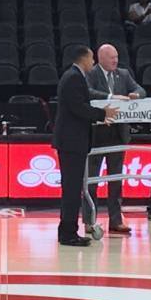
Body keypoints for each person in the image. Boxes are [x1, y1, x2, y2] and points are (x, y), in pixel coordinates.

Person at [86, 43, 142, 234]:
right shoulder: (91, 74)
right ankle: (89, 220)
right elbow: (88, 92)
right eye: (112, 57)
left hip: (118, 134)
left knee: (116, 181)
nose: (115, 60)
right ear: (101, 57)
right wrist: (113, 97)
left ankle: (116, 220)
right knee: (91, 180)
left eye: (117, 56)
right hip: (96, 134)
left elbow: (140, 90)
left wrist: (135, 95)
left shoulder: (124, 74)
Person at [54, 44, 98, 247]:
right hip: (71, 142)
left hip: (73, 141)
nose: (93, 62)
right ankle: (68, 233)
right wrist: (102, 114)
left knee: (72, 188)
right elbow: (78, 108)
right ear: (83, 59)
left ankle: (68, 230)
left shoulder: (74, 76)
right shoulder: (73, 77)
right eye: (91, 58)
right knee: (71, 189)